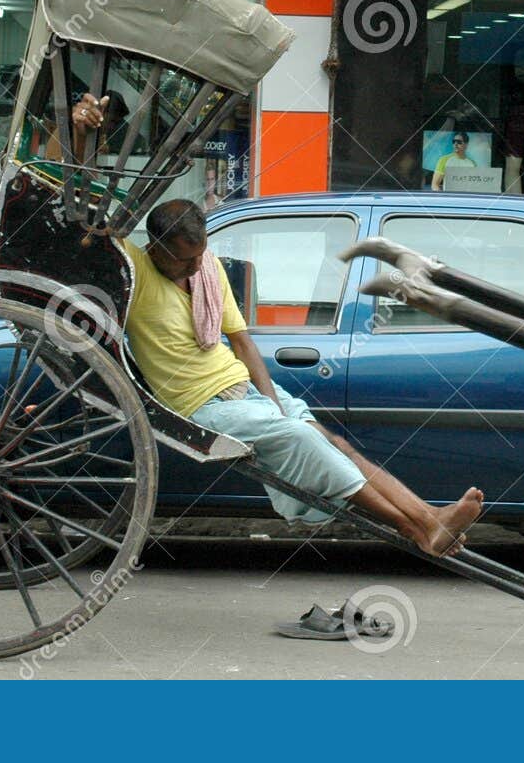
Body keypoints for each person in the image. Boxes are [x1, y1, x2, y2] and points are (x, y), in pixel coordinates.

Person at [72, 91, 485, 555]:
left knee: (328, 439)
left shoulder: (206, 272)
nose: (195, 269)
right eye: (185, 261)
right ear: (158, 249)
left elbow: (244, 345)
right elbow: (84, 223)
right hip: (198, 407)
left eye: (199, 258)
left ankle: (432, 518)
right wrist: (82, 137)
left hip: (242, 392)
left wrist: (272, 402)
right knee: (301, 438)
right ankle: (416, 531)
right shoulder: (137, 271)